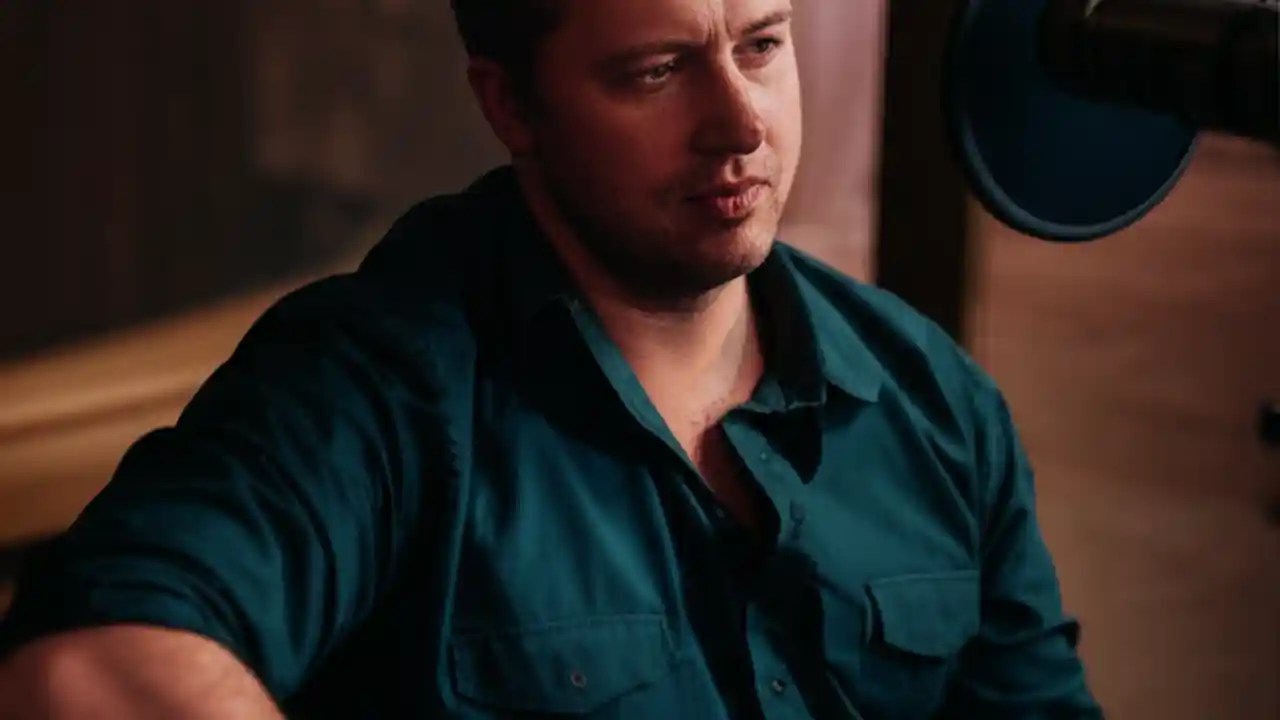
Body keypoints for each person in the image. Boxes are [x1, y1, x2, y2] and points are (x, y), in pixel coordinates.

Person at [0, 0, 1103, 717]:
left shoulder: (935, 401)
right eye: (657, 71)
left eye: (761, 45)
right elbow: (88, 669)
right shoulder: (369, 386)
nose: (739, 124)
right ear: (509, 104)